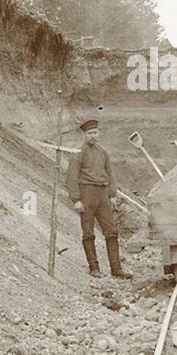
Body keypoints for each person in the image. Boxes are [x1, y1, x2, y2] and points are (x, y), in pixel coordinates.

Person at [64, 118, 132, 279]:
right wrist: (76, 200)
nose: (93, 136)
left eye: (95, 132)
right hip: (86, 194)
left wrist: (112, 195)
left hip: (103, 195)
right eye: (90, 133)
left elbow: (110, 173)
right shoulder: (78, 153)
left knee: (112, 231)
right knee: (88, 233)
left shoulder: (103, 152)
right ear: (84, 135)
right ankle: (94, 267)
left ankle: (116, 269)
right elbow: (71, 177)